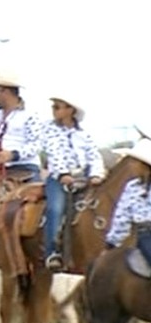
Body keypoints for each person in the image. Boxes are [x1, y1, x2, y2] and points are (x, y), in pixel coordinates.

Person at [41, 94, 105, 270]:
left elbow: (94, 155)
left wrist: (96, 174)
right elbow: (53, 152)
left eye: (57, 107)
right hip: (58, 179)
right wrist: (63, 175)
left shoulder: (83, 135)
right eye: (53, 107)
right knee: (55, 209)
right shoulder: (48, 129)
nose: (53, 110)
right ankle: (52, 252)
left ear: (70, 110)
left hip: (83, 177)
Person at [105, 139, 151, 267]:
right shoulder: (132, 187)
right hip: (146, 235)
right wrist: (112, 243)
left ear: (145, 166)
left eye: (135, 162)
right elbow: (122, 216)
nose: (131, 166)